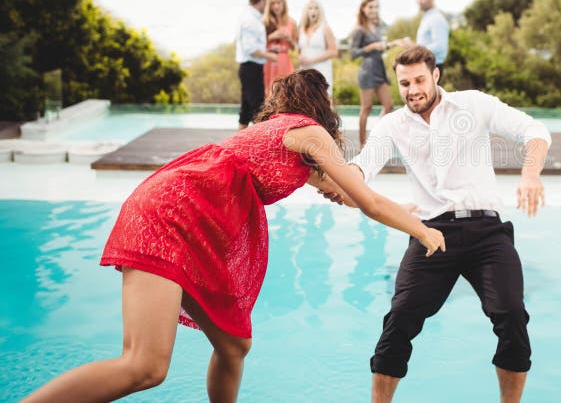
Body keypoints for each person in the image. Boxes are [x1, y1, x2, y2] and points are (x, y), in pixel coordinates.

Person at [22, 69, 446, 403]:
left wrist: (407, 212)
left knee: (234, 345)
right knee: (144, 366)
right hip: (172, 216)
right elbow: (369, 203)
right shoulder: (309, 131)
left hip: (176, 214)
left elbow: (352, 194)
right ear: (321, 104)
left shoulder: (287, 141)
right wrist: (421, 231)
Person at [321, 46, 550, 403]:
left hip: (487, 231)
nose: (412, 90)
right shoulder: (393, 125)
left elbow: (534, 131)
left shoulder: (473, 104)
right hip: (430, 233)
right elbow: (360, 170)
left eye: (419, 80)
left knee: (511, 315)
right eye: (404, 83)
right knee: (398, 320)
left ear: (436, 75)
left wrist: (531, 174)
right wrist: (338, 182)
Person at [350, 0, 398, 149]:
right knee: (366, 108)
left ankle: (376, 136)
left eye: (376, 7)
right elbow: (353, 54)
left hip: (379, 68)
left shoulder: (378, 27)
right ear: (363, 9)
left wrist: (394, 44)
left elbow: (380, 46)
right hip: (367, 70)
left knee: (389, 105)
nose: (373, 10)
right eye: (370, 7)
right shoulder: (359, 30)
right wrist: (371, 47)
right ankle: (362, 144)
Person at [235, 0, 275, 130]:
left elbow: (252, 45)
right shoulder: (250, 19)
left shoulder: (250, 17)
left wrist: (268, 50)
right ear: (262, 0)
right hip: (251, 69)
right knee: (259, 110)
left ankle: (237, 148)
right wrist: (270, 55)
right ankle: (263, 148)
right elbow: (250, 49)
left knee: (245, 111)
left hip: (250, 68)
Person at [298, 0, 338, 104]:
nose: (313, 11)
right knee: (306, 101)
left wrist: (312, 60)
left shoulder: (325, 28)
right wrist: (299, 58)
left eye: (316, 8)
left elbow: (334, 51)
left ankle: (328, 121)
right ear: (306, 11)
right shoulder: (301, 29)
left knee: (325, 101)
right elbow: (299, 50)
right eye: (310, 8)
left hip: (322, 70)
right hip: (305, 71)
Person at [263, 0, 298, 97]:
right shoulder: (265, 22)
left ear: (284, 4)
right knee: (270, 91)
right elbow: (257, 45)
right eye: (273, 3)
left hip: (284, 60)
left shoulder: (291, 23)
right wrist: (273, 36)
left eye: (279, 3)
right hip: (269, 60)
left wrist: (289, 39)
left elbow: (295, 47)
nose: (276, 6)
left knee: (286, 89)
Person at [412, 0, 450, 80]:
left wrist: (416, 49)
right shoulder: (427, 18)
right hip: (425, 65)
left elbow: (440, 46)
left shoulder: (436, 19)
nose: (419, 1)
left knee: (430, 95)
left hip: (432, 66)